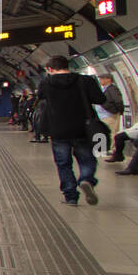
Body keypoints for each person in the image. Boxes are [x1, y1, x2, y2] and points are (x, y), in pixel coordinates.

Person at [37, 55, 104, 205]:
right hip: (82, 129)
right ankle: (86, 179)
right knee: (87, 160)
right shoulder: (85, 81)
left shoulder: (46, 83)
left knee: (63, 164)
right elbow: (100, 99)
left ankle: (71, 196)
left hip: (58, 129)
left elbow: (40, 96)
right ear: (68, 66)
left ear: (49, 69)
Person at [97, 74, 125, 139]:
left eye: (101, 79)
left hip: (110, 115)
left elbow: (118, 101)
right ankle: (107, 147)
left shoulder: (112, 89)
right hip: (104, 115)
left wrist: (117, 111)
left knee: (112, 132)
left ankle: (112, 148)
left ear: (108, 79)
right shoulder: (104, 89)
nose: (100, 81)